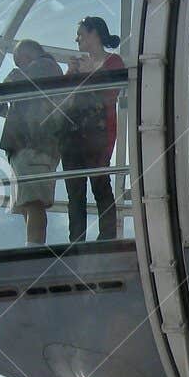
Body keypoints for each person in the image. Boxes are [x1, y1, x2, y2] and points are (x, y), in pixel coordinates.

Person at [0, 40, 64, 245]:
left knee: (33, 202)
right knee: (29, 202)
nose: (18, 66)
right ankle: (32, 246)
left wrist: (7, 84)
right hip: (31, 145)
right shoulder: (44, 70)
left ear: (28, 54)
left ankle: (33, 249)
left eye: (19, 61)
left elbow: (15, 82)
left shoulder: (44, 66)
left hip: (34, 145)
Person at [62, 16, 125, 241]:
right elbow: (63, 102)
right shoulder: (82, 65)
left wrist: (91, 74)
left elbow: (111, 93)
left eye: (80, 34)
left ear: (94, 34)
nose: (77, 39)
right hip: (73, 134)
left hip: (99, 133)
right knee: (75, 189)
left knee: (100, 182)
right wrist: (70, 74)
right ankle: (76, 240)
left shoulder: (114, 61)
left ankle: (107, 236)